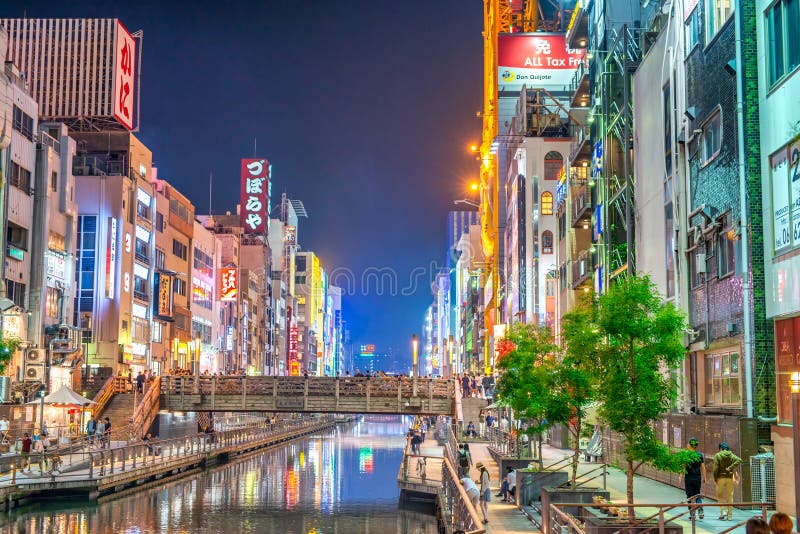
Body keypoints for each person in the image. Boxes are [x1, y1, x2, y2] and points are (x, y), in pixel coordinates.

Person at [713, 442, 741, 521]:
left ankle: (723, 511)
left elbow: (715, 469)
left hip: (720, 478)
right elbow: (739, 460)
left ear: (720, 449)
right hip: (729, 477)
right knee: (730, 496)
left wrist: (715, 478)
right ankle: (730, 516)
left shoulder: (718, 455)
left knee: (720, 495)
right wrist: (730, 467)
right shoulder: (731, 455)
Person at [681, 437, 706, 519]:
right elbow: (703, 467)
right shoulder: (699, 455)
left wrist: (680, 476)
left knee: (690, 496)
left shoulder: (686, 455)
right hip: (697, 478)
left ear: (690, 445)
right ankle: (700, 510)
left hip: (688, 478)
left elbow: (683, 467)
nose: (687, 445)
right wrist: (704, 477)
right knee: (697, 494)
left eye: (688, 443)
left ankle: (692, 513)